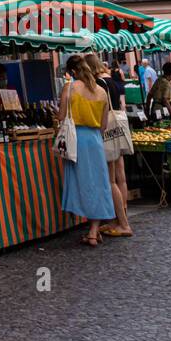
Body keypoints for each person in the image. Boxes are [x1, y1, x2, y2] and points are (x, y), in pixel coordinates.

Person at [58, 55, 114, 247]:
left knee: (80, 183)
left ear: (73, 72)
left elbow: (61, 116)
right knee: (98, 184)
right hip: (95, 140)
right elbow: (104, 125)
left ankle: (90, 230)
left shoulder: (70, 87)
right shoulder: (101, 91)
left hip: (76, 140)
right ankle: (93, 231)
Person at [86, 56, 132, 239]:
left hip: (107, 132)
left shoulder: (98, 83)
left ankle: (123, 223)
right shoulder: (111, 80)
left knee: (111, 181)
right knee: (120, 178)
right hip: (117, 132)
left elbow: (101, 109)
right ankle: (119, 218)